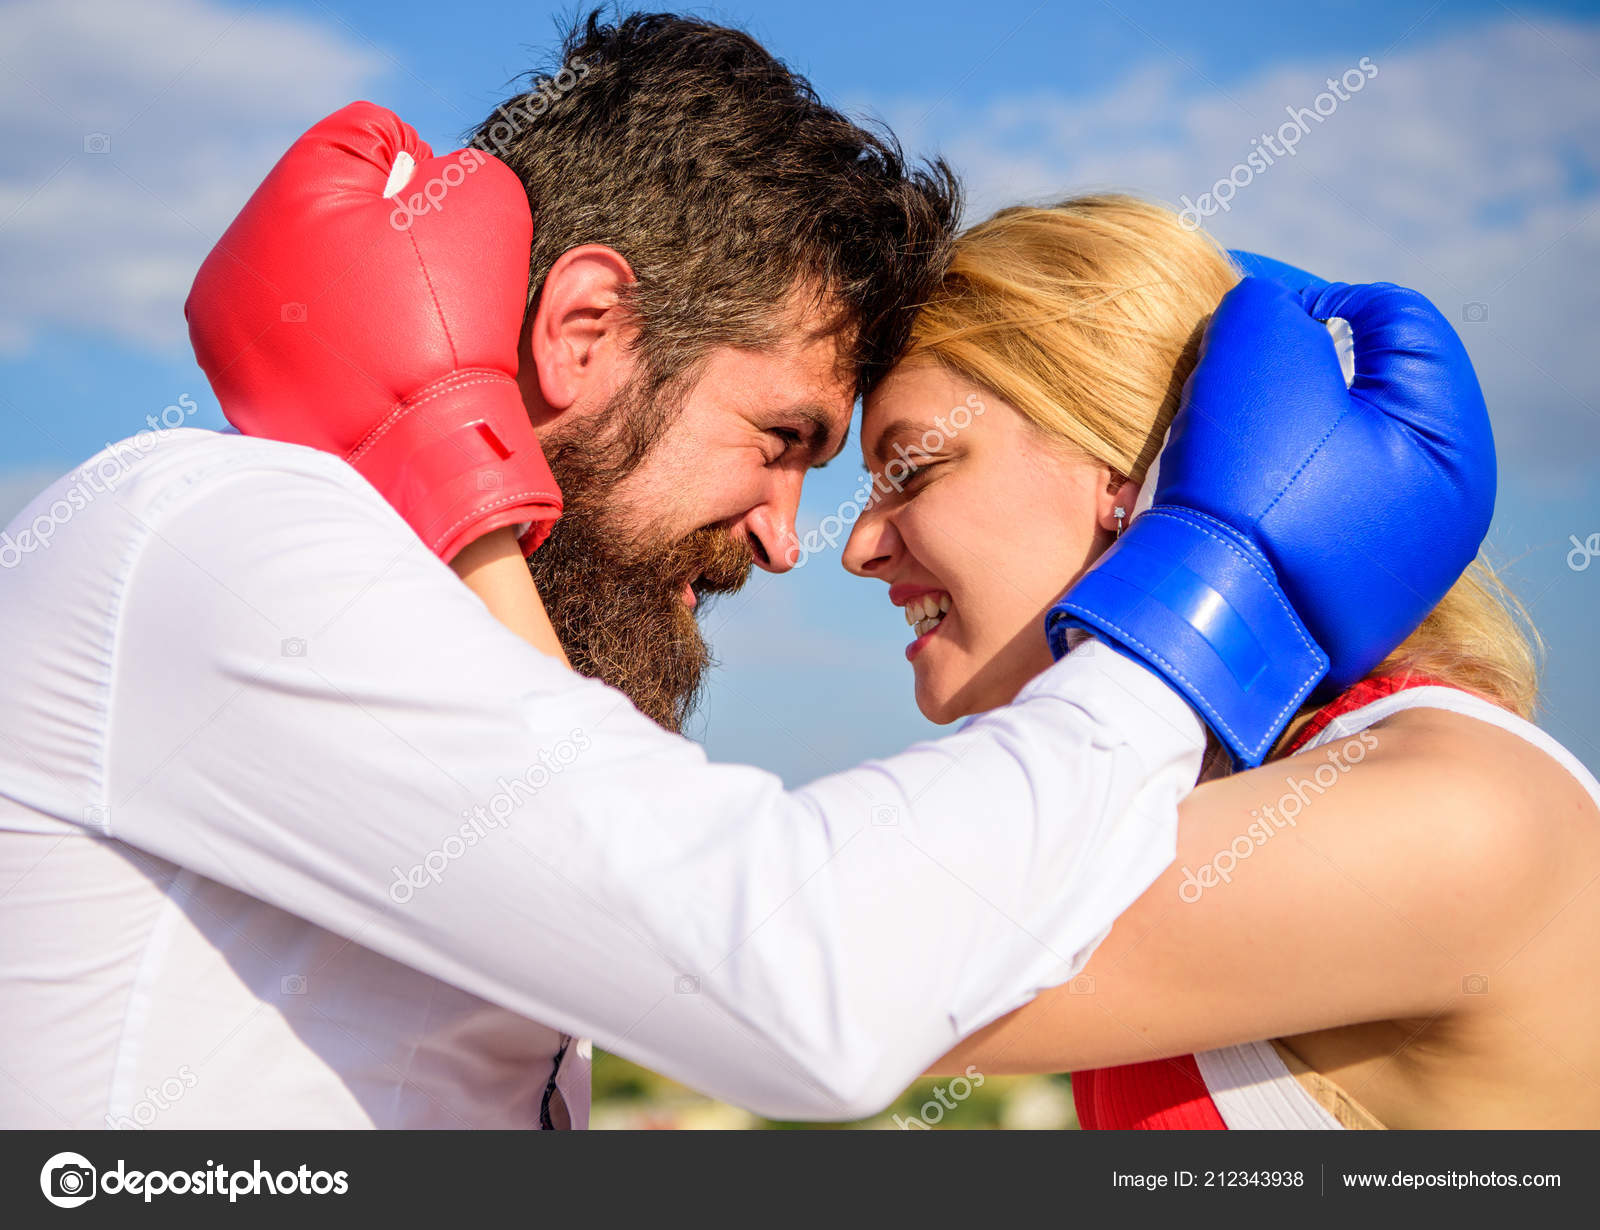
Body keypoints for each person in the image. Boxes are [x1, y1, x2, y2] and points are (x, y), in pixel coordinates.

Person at [0, 13, 1490, 1130]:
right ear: (586, 332)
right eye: (783, 438)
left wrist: (466, 495)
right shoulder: (213, 527)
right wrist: (1208, 607)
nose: (798, 538)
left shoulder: (1450, 803)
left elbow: (616, 867)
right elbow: (801, 979)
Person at [837, 195, 1600, 1129]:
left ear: (1130, 467)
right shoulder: (1214, 798)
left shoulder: (1451, 809)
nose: (859, 544)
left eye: (912, 467)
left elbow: (817, 972)